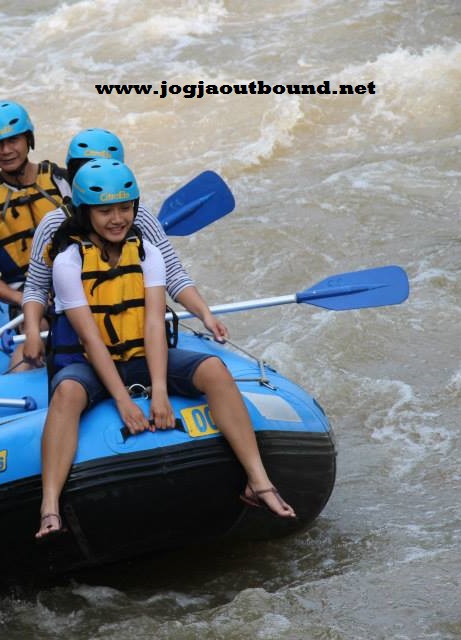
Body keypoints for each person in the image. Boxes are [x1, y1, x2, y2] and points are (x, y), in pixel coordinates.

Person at [34, 160, 295, 539]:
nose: (117, 218)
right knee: (66, 393)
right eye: (105, 210)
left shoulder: (147, 254)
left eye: (125, 208)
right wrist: (123, 401)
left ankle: (258, 480)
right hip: (96, 363)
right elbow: (90, 338)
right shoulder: (67, 262)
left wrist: (159, 391)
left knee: (215, 371)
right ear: (85, 212)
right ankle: (49, 507)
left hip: (143, 357)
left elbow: (154, 323)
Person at [20, 128, 228, 368]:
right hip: (80, 342)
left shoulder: (139, 218)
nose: (97, 177)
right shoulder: (52, 224)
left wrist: (205, 314)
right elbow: (36, 287)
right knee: (24, 362)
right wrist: (33, 331)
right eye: (85, 168)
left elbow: (173, 274)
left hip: (139, 335)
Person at [0, 100, 70, 370]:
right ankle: (19, 383)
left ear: (28, 139)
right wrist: (24, 300)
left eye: (13, 140)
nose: (6, 150)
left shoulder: (64, 181)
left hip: (78, 281)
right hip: (25, 295)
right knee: (37, 324)